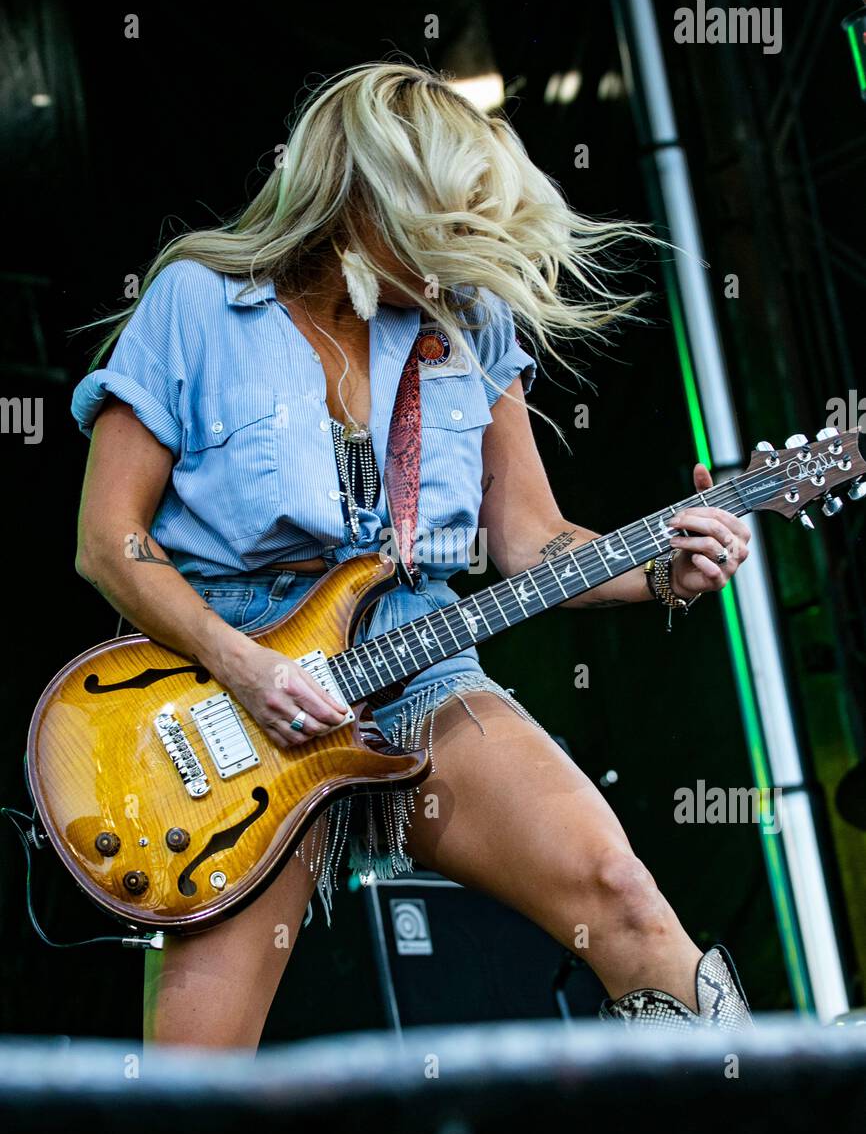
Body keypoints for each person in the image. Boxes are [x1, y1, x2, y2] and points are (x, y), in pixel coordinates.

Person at [71, 61, 753, 1048]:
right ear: (360, 200)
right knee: (195, 1068)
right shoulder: (195, 302)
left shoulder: (471, 320)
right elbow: (109, 541)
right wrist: (244, 664)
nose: (454, 266)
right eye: (440, 234)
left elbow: (532, 541)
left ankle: (751, 1133)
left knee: (623, 895)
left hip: (416, 658)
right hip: (224, 692)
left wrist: (660, 570)